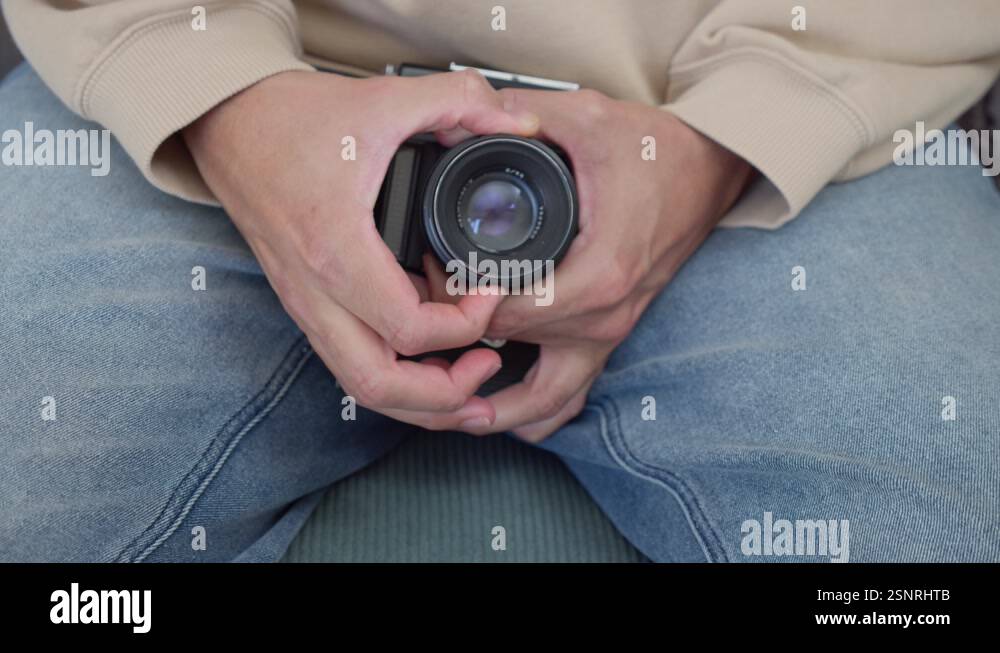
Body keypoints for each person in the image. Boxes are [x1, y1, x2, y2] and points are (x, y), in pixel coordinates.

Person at [1, 0, 998, 562]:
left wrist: (736, 135)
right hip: (222, 86)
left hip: (788, 123)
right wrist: (216, 98)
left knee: (921, 565)